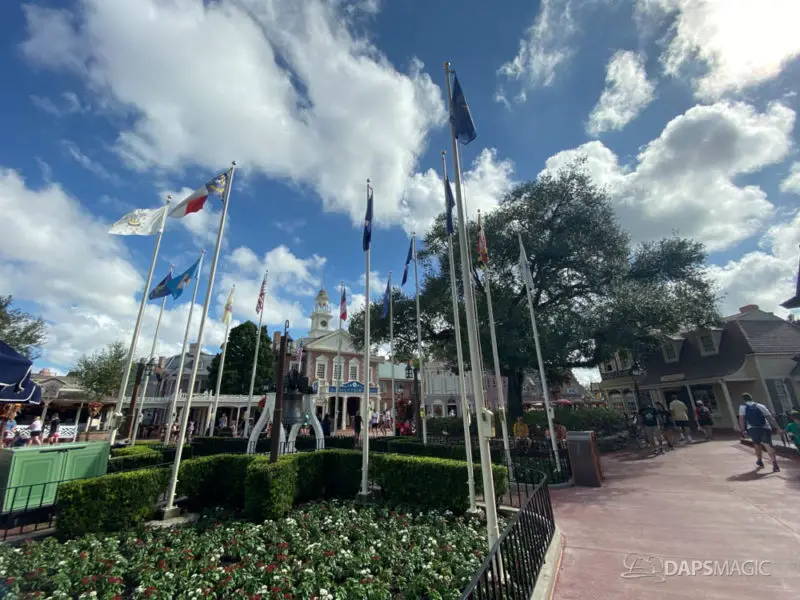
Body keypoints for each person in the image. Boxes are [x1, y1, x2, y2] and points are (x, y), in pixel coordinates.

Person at [738, 393, 781, 472]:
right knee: (768, 445)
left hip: (753, 428)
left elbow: (742, 419)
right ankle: (775, 464)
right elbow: (770, 417)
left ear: (744, 399)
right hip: (765, 427)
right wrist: (777, 427)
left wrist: (742, 429)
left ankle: (759, 460)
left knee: (757, 444)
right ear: (751, 398)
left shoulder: (742, 407)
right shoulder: (760, 406)